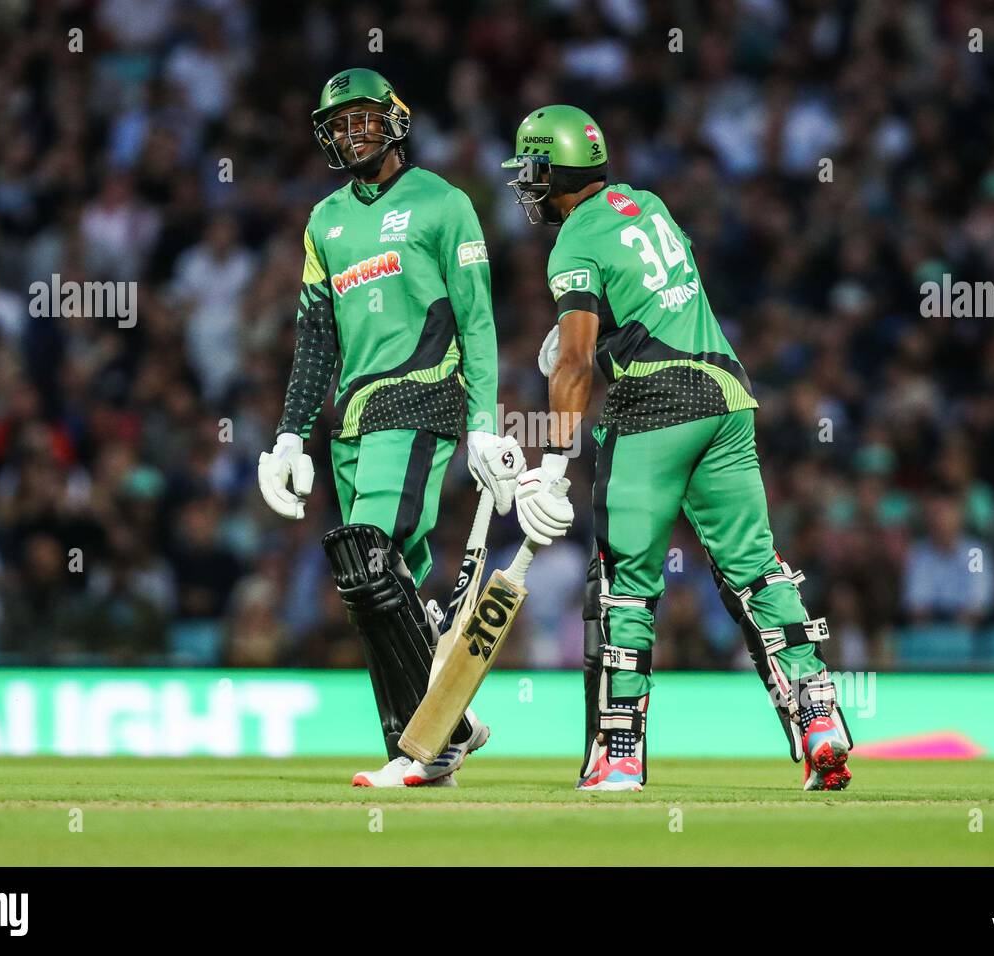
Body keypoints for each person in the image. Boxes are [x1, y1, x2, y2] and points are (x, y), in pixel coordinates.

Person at [503, 105, 853, 791]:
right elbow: (658, 297)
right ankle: (819, 715)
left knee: (623, 585)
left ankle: (620, 752)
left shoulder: (572, 241)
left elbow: (571, 366)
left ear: (552, 168)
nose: (527, 185)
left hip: (654, 404)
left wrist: (551, 467)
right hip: (725, 394)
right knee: (756, 569)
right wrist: (601, 335)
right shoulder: (650, 204)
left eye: (531, 171)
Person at [259, 69, 525, 787]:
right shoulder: (324, 221)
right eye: (337, 124)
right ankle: (441, 735)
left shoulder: (443, 204)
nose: (351, 133)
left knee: (367, 555)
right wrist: (289, 435)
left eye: (363, 119)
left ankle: (425, 744)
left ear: (395, 120)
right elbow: (315, 337)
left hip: (421, 396)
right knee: (376, 586)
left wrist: (483, 425)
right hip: (352, 417)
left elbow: (477, 320)